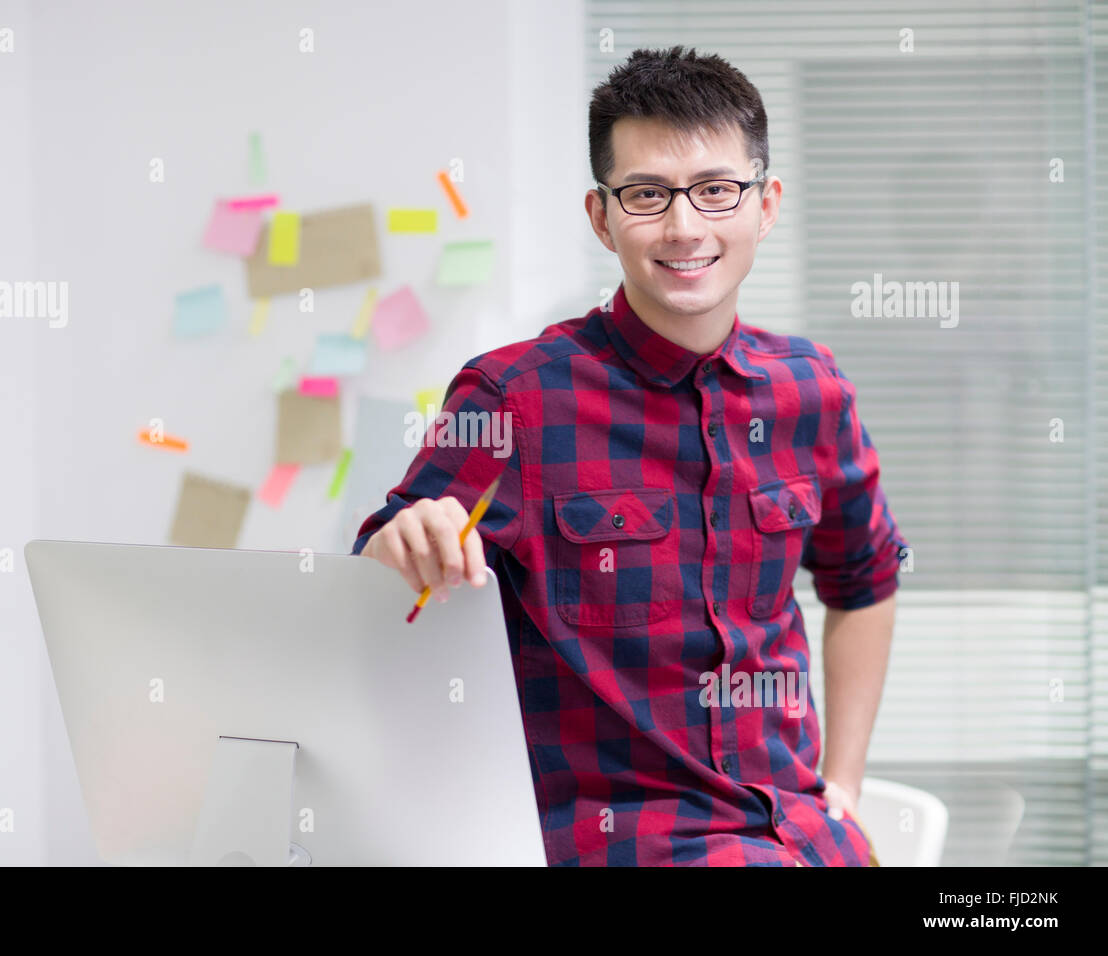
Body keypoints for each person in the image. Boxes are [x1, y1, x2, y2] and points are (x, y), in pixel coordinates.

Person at [351, 46, 906, 866]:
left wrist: (844, 785)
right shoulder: (515, 399)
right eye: (648, 195)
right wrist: (402, 542)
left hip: (802, 837)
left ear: (766, 205)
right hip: (620, 843)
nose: (685, 227)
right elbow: (378, 566)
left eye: (716, 191)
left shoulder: (811, 390)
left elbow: (866, 579)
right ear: (602, 216)